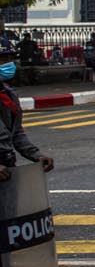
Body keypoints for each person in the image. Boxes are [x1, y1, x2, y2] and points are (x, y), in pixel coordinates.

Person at [0, 37, 54, 182]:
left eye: (9, 59)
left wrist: (36, 155)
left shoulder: (8, 93)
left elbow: (16, 132)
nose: (8, 64)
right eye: (2, 60)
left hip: (6, 164)